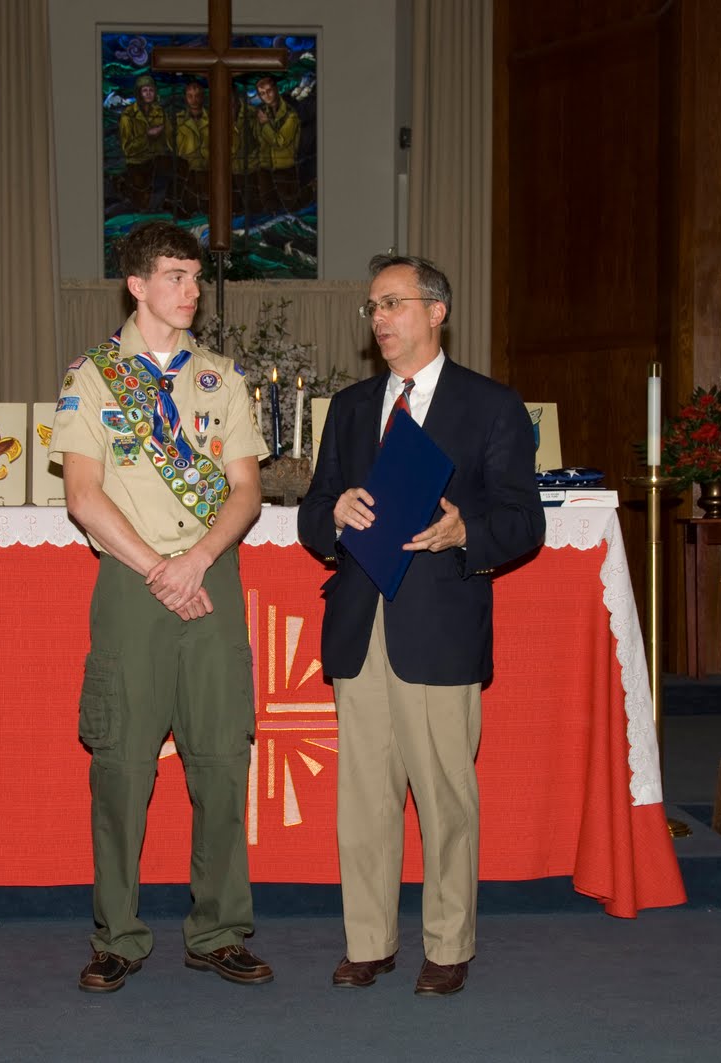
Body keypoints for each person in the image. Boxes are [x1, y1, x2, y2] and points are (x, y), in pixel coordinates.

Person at [297, 253, 544, 997]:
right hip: (359, 623)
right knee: (363, 798)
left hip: (437, 626)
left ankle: (448, 944)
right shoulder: (348, 407)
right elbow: (313, 517)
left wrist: (467, 531)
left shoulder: (491, 406)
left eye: (393, 303)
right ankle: (367, 941)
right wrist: (332, 516)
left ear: (437, 310)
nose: (379, 319)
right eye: (372, 306)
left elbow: (523, 521)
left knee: (444, 797)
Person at [50, 221, 272, 993]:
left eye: (196, 276)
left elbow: (247, 488)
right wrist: (159, 569)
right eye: (175, 275)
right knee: (120, 766)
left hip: (210, 577)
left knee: (220, 759)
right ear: (136, 285)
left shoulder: (223, 378)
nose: (191, 289)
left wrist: (199, 560)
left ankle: (218, 928)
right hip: (131, 583)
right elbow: (83, 495)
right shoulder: (93, 377)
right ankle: (117, 933)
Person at [117, 74, 171, 213]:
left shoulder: (160, 112)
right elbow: (128, 149)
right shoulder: (128, 116)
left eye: (151, 90)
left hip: (157, 160)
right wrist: (147, 136)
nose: (148, 94)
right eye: (145, 90)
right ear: (139, 93)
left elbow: (170, 138)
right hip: (137, 163)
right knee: (142, 203)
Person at [250, 75, 300, 212]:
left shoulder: (291, 115)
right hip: (264, 169)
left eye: (269, 91)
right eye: (262, 93)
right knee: (268, 209)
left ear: (276, 89)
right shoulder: (260, 114)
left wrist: (265, 124)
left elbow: (280, 142)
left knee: (290, 207)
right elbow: (257, 140)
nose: (266, 96)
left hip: (285, 168)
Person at [171, 80, 210, 220]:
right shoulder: (178, 119)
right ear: (185, 98)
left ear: (203, 97)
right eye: (190, 95)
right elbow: (172, 144)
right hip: (187, 170)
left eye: (197, 95)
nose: (194, 99)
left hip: (208, 170)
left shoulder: (214, 118)